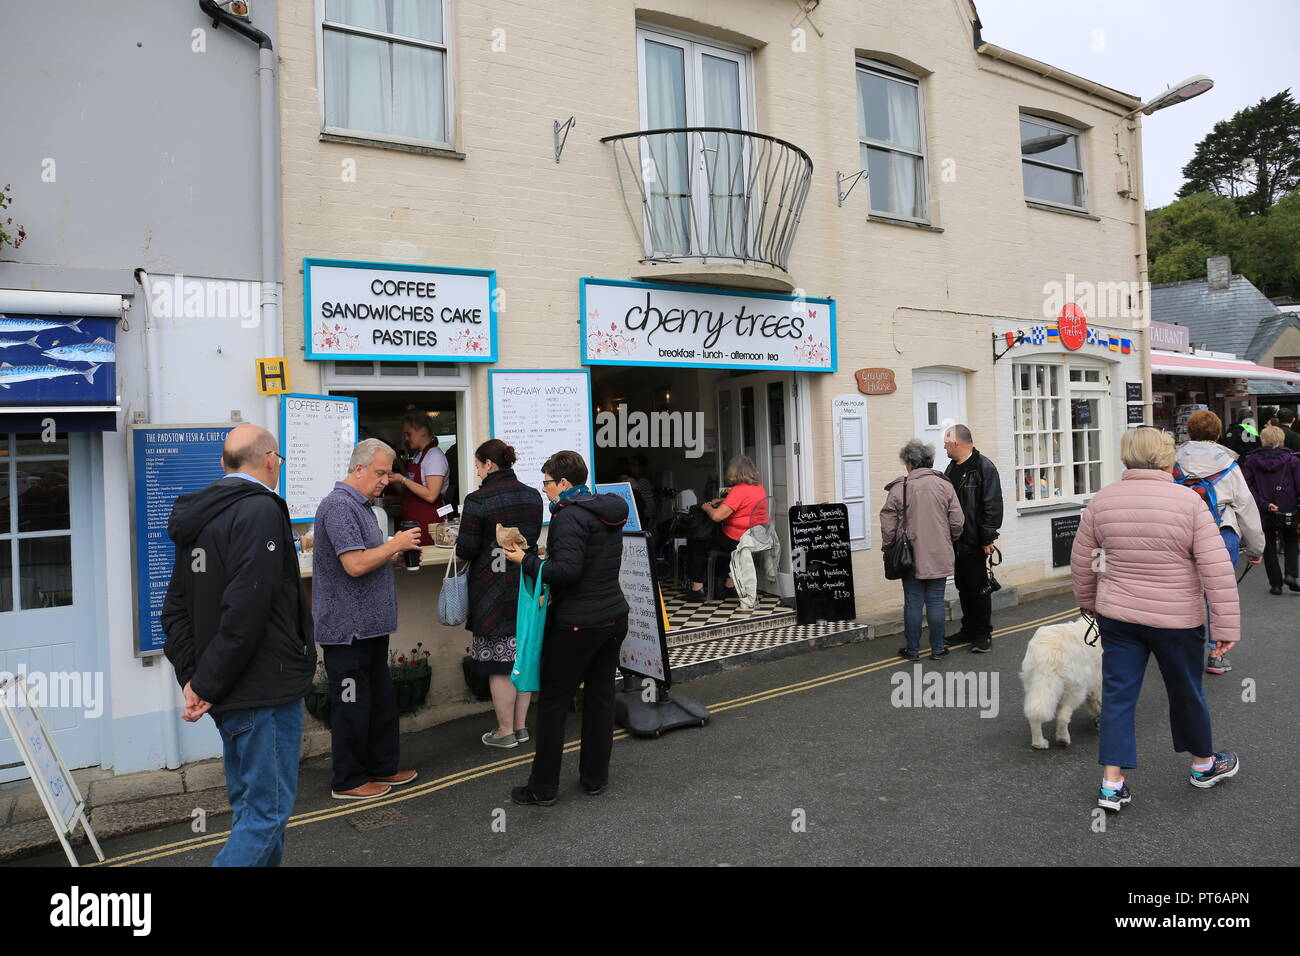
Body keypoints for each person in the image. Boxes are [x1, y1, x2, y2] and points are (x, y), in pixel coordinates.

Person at [162, 424, 315, 866]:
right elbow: (246, 610)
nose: (279, 467)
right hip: (262, 689)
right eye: (280, 460)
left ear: (223, 464)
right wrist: (203, 683)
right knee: (266, 815)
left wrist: (194, 678)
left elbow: (175, 609)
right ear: (270, 459)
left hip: (230, 690)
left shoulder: (202, 513)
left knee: (253, 811)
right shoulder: (260, 510)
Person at [1070, 427, 1242, 813]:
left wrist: (1087, 602)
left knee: (1117, 696)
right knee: (1186, 692)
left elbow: (1084, 560)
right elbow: (1216, 569)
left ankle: (1112, 785)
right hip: (1177, 620)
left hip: (1119, 616)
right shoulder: (1190, 502)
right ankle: (1203, 765)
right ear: (1168, 459)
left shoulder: (1102, 501)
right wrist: (1226, 627)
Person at [504, 450, 628, 805]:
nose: (544, 490)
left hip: (578, 623)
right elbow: (582, 563)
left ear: (563, 483)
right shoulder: (606, 510)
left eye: (546, 482)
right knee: (600, 698)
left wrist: (525, 561)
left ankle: (542, 788)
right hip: (613, 616)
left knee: (555, 703)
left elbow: (567, 572)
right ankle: (594, 778)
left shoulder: (569, 516)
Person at [312, 438, 421, 800]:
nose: (385, 480)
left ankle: (382, 768)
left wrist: (389, 556)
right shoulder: (339, 506)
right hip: (348, 629)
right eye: (379, 472)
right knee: (353, 706)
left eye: (389, 473)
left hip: (370, 626)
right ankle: (348, 780)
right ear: (357, 469)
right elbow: (354, 564)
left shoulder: (362, 506)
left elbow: (365, 556)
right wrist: (396, 544)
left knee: (380, 703)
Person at [455, 439, 543, 748]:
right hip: (526, 583)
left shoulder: (478, 500)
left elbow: (465, 549)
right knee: (522, 656)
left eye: (478, 465)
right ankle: (521, 727)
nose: (477, 472)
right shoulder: (533, 496)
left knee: (499, 662)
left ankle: (505, 731)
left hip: (492, 590)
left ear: (488, 464)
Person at [1174, 409, 1264, 675]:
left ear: (1189, 432)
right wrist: (1256, 548)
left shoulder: (1172, 461)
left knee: (1181, 592)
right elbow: (1246, 508)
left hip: (1181, 533)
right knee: (1218, 595)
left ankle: (1180, 650)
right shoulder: (1229, 464)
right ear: (1217, 433)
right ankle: (1216, 653)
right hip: (1221, 532)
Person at [880, 439, 964, 662]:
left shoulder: (901, 488)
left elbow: (888, 522)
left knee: (914, 601)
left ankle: (913, 649)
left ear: (909, 463)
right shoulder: (945, 485)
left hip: (911, 554)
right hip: (939, 552)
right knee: (936, 601)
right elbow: (957, 520)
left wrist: (888, 545)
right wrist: (949, 538)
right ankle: (937, 649)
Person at [942, 424, 1003, 653]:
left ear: (956, 443)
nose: (944, 447)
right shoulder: (951, 467)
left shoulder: (983, 467)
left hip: (975, 540)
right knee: (963, 586)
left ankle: (983, 633)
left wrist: (987, 537)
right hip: (955, 540)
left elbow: (992, 505)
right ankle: (967, 629)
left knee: (978, 588)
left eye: (947, 442)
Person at [686, 455, 769, 600]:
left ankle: (697, 589)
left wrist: (707, 508)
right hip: (756, 536)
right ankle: (728, 586)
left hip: (738, 539)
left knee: (697, 542)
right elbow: (744, 502)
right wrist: (724, 500)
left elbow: (717, 516)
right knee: (719, 540)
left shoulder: (739, 490)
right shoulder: (758, 488)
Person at [1241, 425, 1300, 595]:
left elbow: (1248, 487)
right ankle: (1291, 575)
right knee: (1291, 540)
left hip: (1264, 511)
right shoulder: (1292, 460)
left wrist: (1264, 504)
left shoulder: (1251, 460)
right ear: (1282, 439)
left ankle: (1275, 584)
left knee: (1268, 545)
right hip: (1287, 508)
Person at [394, 410, 450, 530]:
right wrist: (393, 479)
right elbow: (409, 491)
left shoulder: (434, 456)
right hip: (414, 519)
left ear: (423, 431)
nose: (406, 438)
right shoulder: (418, 456)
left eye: (409, 434)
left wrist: (402, 479)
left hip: (429, 520)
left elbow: (431, 495)